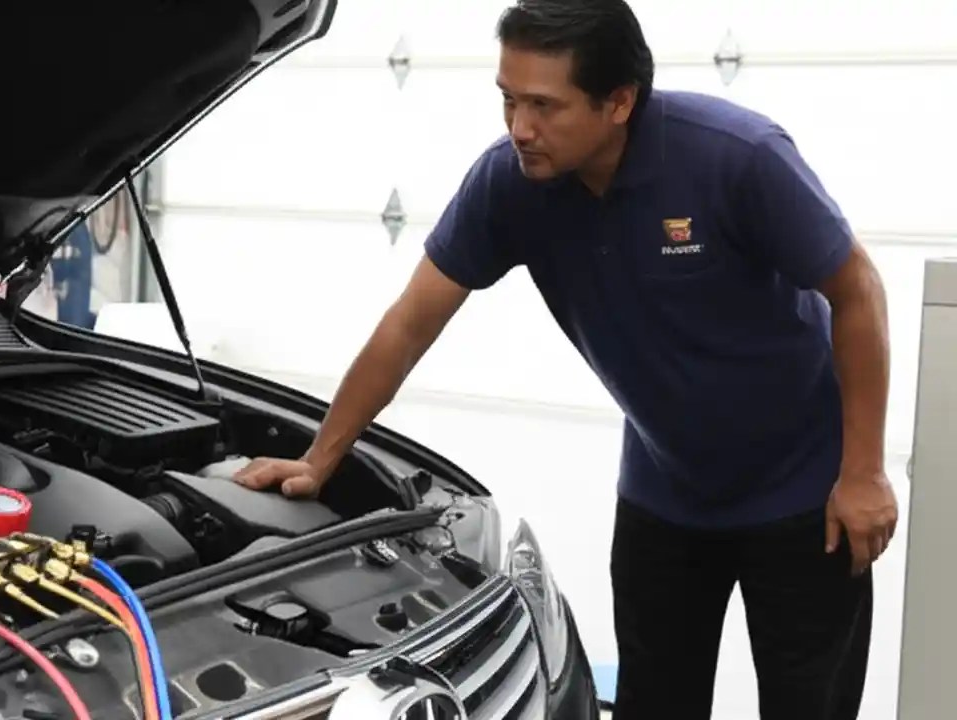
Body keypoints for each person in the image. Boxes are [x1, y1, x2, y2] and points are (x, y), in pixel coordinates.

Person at [231, 0, 898, 717]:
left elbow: (856, 290)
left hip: (802, 495)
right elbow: (409, 324)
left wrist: (862, 472)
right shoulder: (509, 184)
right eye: (509, 100)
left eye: (544, 106)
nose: (520, 128)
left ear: (618, 102)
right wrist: (320, 458)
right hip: (664, 498)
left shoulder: (738, 157)